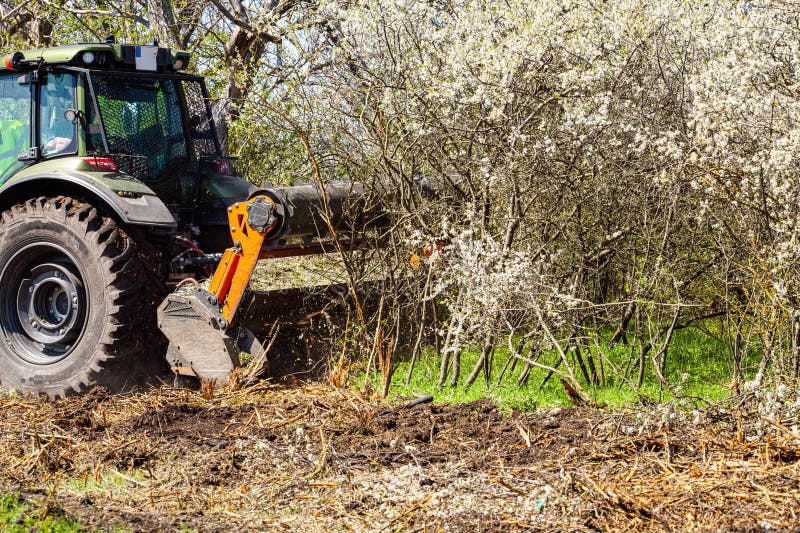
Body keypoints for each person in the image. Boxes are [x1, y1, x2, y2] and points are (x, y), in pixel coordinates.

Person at [40, 74, 77, 156]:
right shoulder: (53, 128)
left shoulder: (75, 125)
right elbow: (49, 144)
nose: (60, 113)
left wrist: (68, 143)